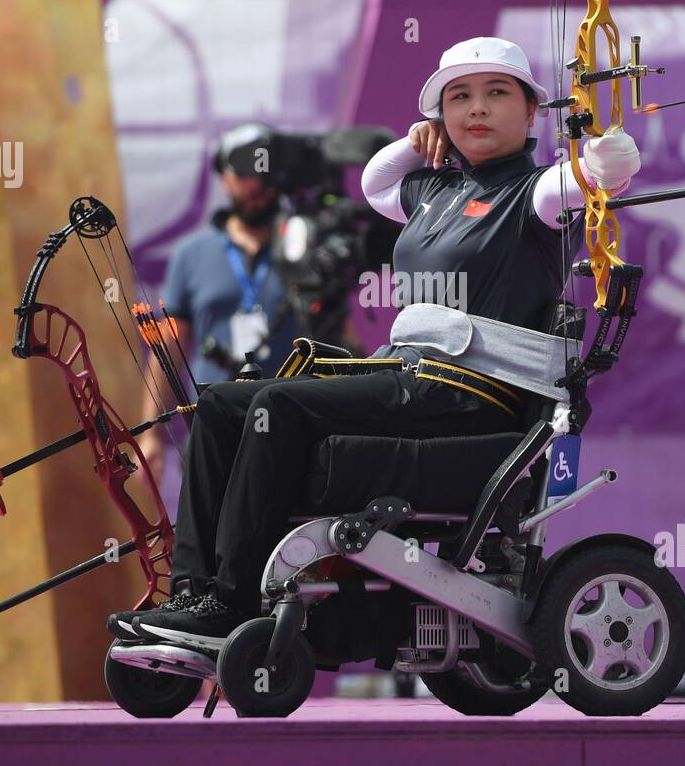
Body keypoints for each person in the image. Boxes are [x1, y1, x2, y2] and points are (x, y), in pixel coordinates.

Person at [108, 36, 641, 647]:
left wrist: (604, 156)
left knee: (274, 406)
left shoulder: (536, 194)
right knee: (224, 403)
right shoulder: (434, 190)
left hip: (472, 394)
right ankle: (192, 594)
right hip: (414, 378)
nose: (478, 109)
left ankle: (230, 605)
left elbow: (599, 176)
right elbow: (375, 182)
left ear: (530, 112)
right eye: (459, 98)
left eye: (498, 94)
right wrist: (414, 142)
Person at [137, 125, 303, 477]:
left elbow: (339, 333)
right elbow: (168, 347)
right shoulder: (191, 254)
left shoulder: (306, 246)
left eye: (265, 170)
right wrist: (152, 433)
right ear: (224, 179)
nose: (255, 185)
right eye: (243, 173)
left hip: (299, 423)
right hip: (215, 429)